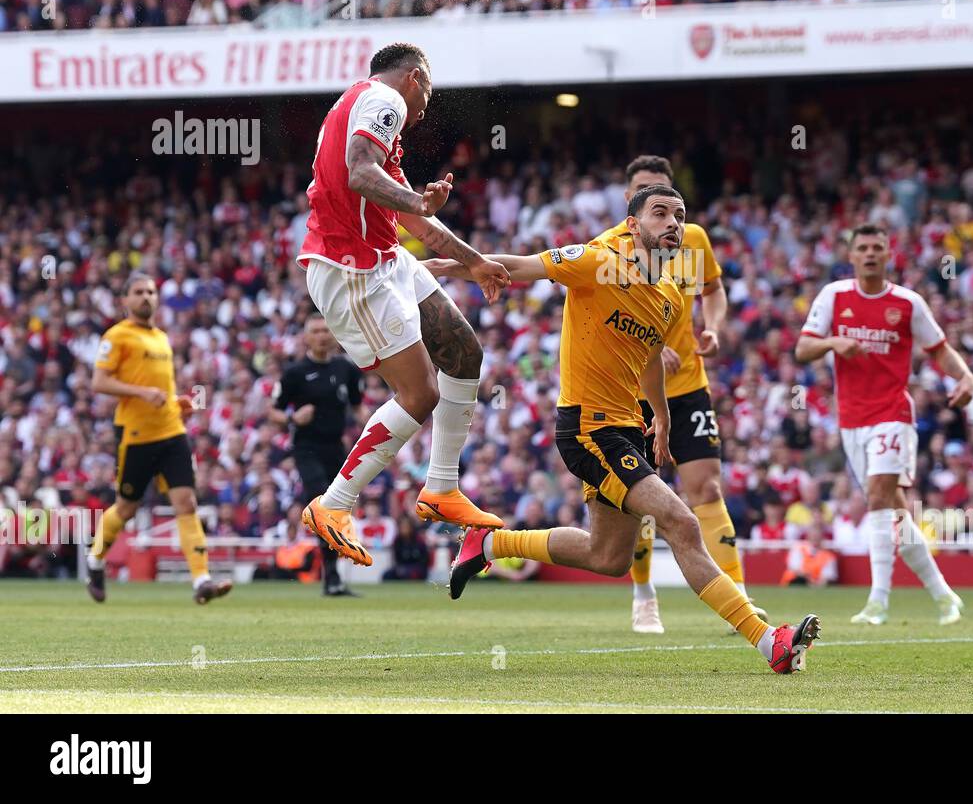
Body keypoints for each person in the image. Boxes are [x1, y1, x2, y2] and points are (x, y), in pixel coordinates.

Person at [431, 186, 820, 673]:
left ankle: (487, 544)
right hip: (589, 429)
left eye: (680, 215)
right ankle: (769, 641)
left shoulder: (671, 297)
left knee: (608, 557)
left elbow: (652, 357)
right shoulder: (599, 261)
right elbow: (520, 265)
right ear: (632, 224)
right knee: (682, 523)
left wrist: (662, 414)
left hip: (627, 428)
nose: (673, 223)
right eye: (660, 213)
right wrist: (447, 266)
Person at [295, 42, 511, 566]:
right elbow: (357, 171)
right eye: (429, 92)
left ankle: (441, 488)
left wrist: (474, 260)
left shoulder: (361, 107)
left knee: (463, 352)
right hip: (352, 269)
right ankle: (334, 504)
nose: (426, 106)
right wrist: (416, 200)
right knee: (420, 393)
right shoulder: (384, 103)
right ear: (415, 78)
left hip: (384, 258)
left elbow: (413, 220)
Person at [592, 155, 762, 633]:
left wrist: (714, 325)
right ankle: (643, 595)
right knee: (646, 497)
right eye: (649, 196)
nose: (666, 213)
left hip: (687, 385)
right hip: (631, 391)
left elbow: (713, 289)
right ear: (631, 201)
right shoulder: (608, 251)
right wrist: (651, 345)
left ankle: (739, 598)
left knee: (707, 487)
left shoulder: (695, 240)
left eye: (670, 200)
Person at [795, 223, 973, 626]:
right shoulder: (834, 296)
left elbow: (940, 350)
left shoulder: (908, 303)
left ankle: (878, 602)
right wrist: (832, 343)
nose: (871, 253)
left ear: (888, 254)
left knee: (877, 498)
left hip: (893, 414)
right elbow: (803, 348)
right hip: (851, 421)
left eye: (878, 247)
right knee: (895, 513)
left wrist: (966, 376)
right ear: (852, 255)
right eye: (863, 248)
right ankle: (945, 596)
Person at [86, 272, 233, 605]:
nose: (146, 297)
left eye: (151, 291)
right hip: (136, 434)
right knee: (126, 508)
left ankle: (201, 581)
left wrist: (176, 401)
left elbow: (160, 390)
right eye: (138, 292)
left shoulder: (162, 339)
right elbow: (99, 382)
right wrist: (140, 393)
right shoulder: (117, 335)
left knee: (187, 503)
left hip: (171, 430)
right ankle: (95, 560)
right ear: (125, 299)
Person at [269, 313, 363, 596]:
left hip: (337, 448)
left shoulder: (347, 369)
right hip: (306, 448)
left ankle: (332, 576)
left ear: (334, 334)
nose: (322, 335)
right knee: (324, 500)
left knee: (335, 508)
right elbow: (273, 410)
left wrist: (379, 427)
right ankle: (331, 575)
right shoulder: (295, 373)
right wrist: (293, 419)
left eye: (326, 330)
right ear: (307, 337)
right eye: (316, 331)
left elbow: (358, 408)